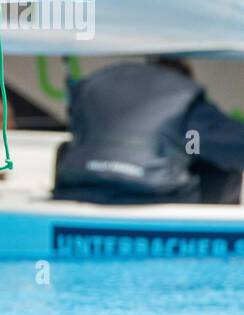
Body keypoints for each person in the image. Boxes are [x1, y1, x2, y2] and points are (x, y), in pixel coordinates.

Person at [53, 58, 244, 205]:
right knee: (214, 160)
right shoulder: (183, 99)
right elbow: (232, 147)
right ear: (183, 79)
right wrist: (190, 151)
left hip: (78, 187)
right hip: (151, 194)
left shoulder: (96, 85)